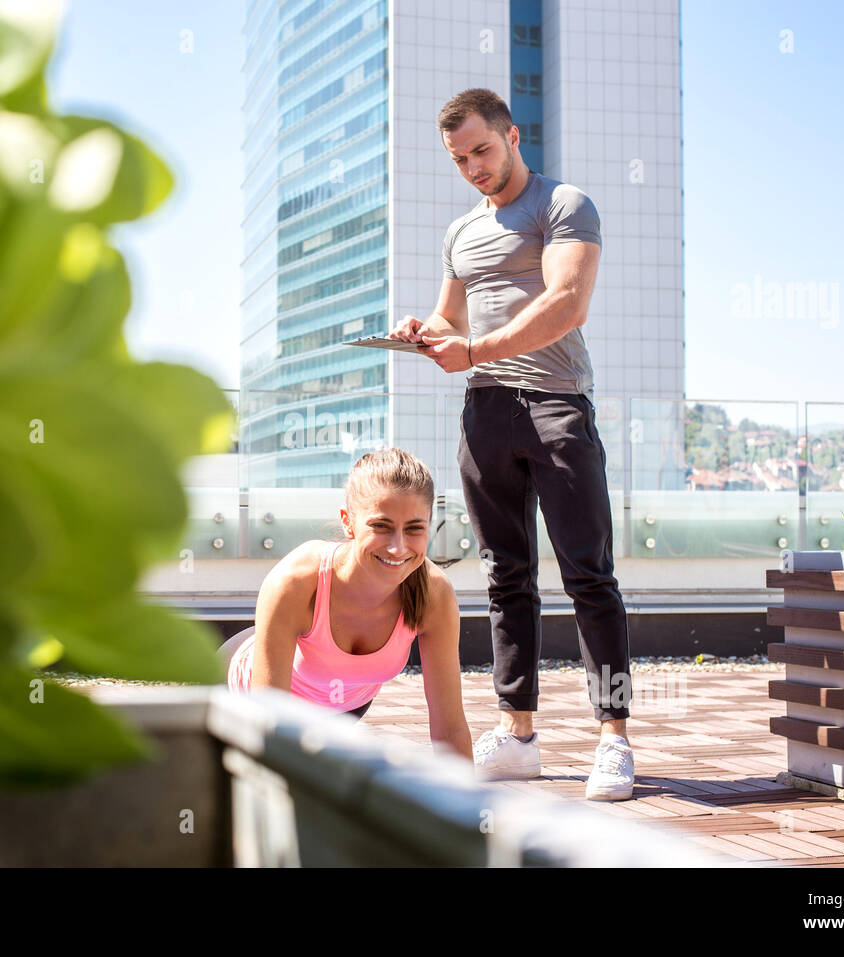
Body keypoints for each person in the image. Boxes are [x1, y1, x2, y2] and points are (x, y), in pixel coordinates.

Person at [389, 88, 635, 800]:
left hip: (557, 407)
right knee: (504, 576)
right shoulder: (461, 233)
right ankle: (518, 731)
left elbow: (567, 302)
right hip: (485, 412)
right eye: (460, 157)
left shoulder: (565, 204)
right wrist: (424, 331)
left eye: (482, 150)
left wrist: (475, 350)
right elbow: (448, 318)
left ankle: (614, 736)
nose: (472, 166)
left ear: (512, 135)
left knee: (589, 574)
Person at [219, 448, 473, 761]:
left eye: (414, 528)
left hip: (340, 709)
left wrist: (467, 809)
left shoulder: (434, 593)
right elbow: (267, 723)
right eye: (380, 525)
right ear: (348, 522)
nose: (398, 547)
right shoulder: (297, 581)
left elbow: (449, 730)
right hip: (235, 692)